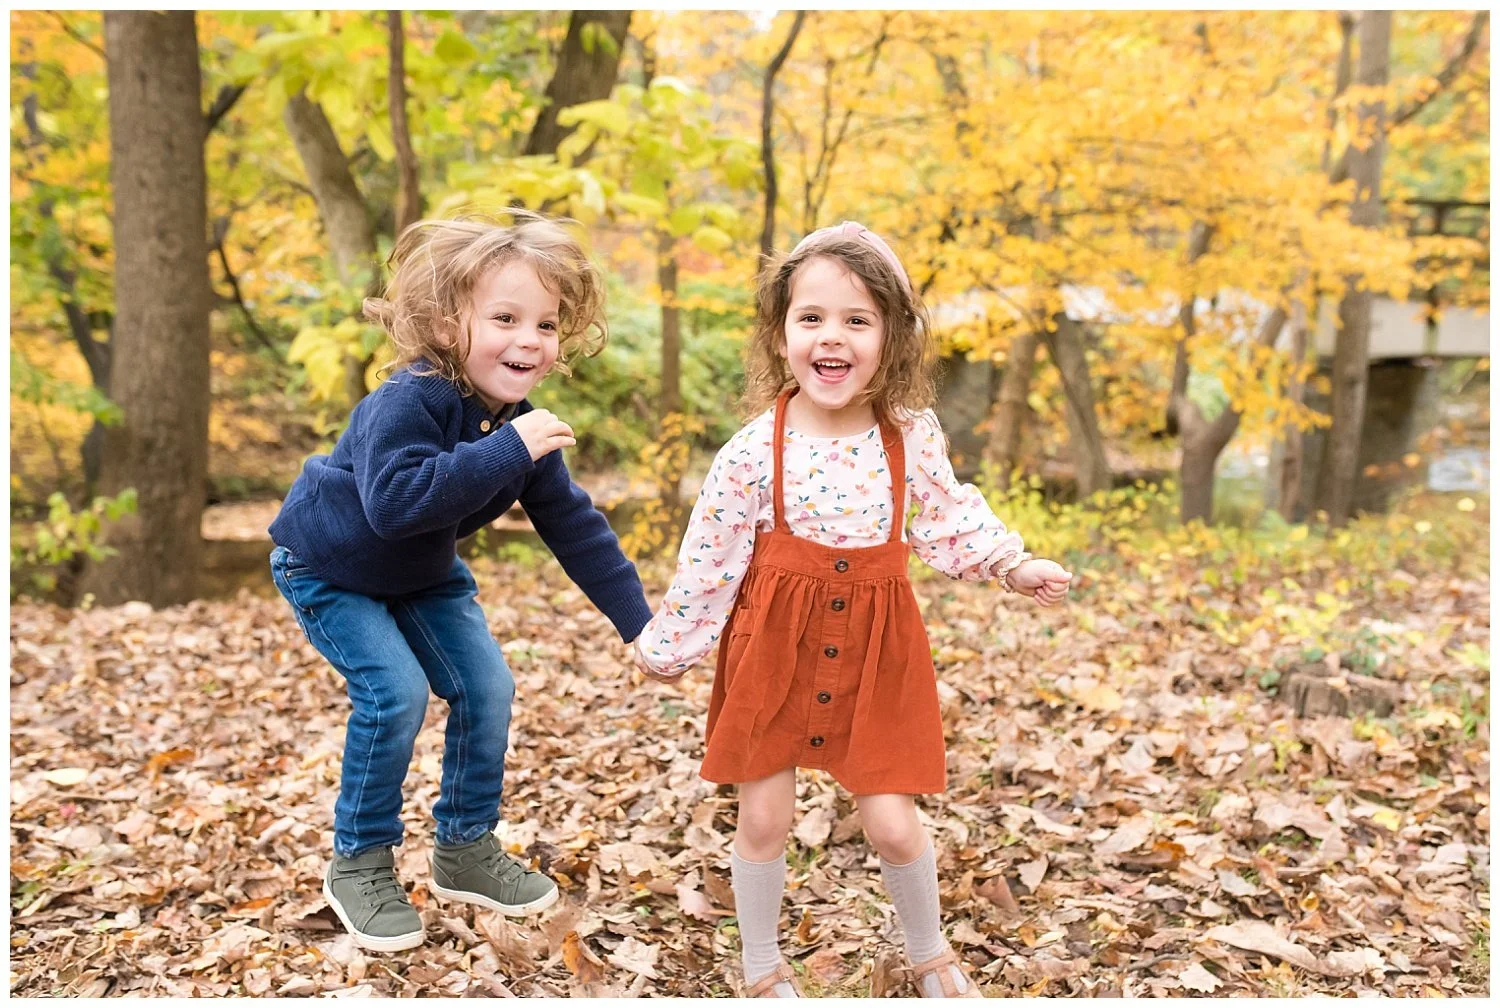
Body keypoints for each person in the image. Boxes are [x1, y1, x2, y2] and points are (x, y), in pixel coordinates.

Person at [634, 222, 1072, 997]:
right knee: (764, 819)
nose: (831, 336)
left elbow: (948, 518)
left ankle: (929, 952)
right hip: (775, 648)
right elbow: (711, 556)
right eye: (811, 318)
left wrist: (1013, 563)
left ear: (892, 338)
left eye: (857, 320)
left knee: (893, 823)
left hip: (877, 651)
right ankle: (762, 968)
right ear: (780, 335)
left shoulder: (907, 437)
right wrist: (671, 645)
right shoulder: (753, 450)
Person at [268, 211, 652, 952]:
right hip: (330, 565)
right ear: (448, 325)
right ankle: (359, 861)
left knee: (488, 687)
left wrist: (638, 623)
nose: (529, 339)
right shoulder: (409, 398)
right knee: (395, 692)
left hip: (421, 572)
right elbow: (394, 503)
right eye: (505, 318)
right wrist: (509, 449)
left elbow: (573, 525)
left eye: (546, 324)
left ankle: (465, 847)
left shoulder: (519, 425)